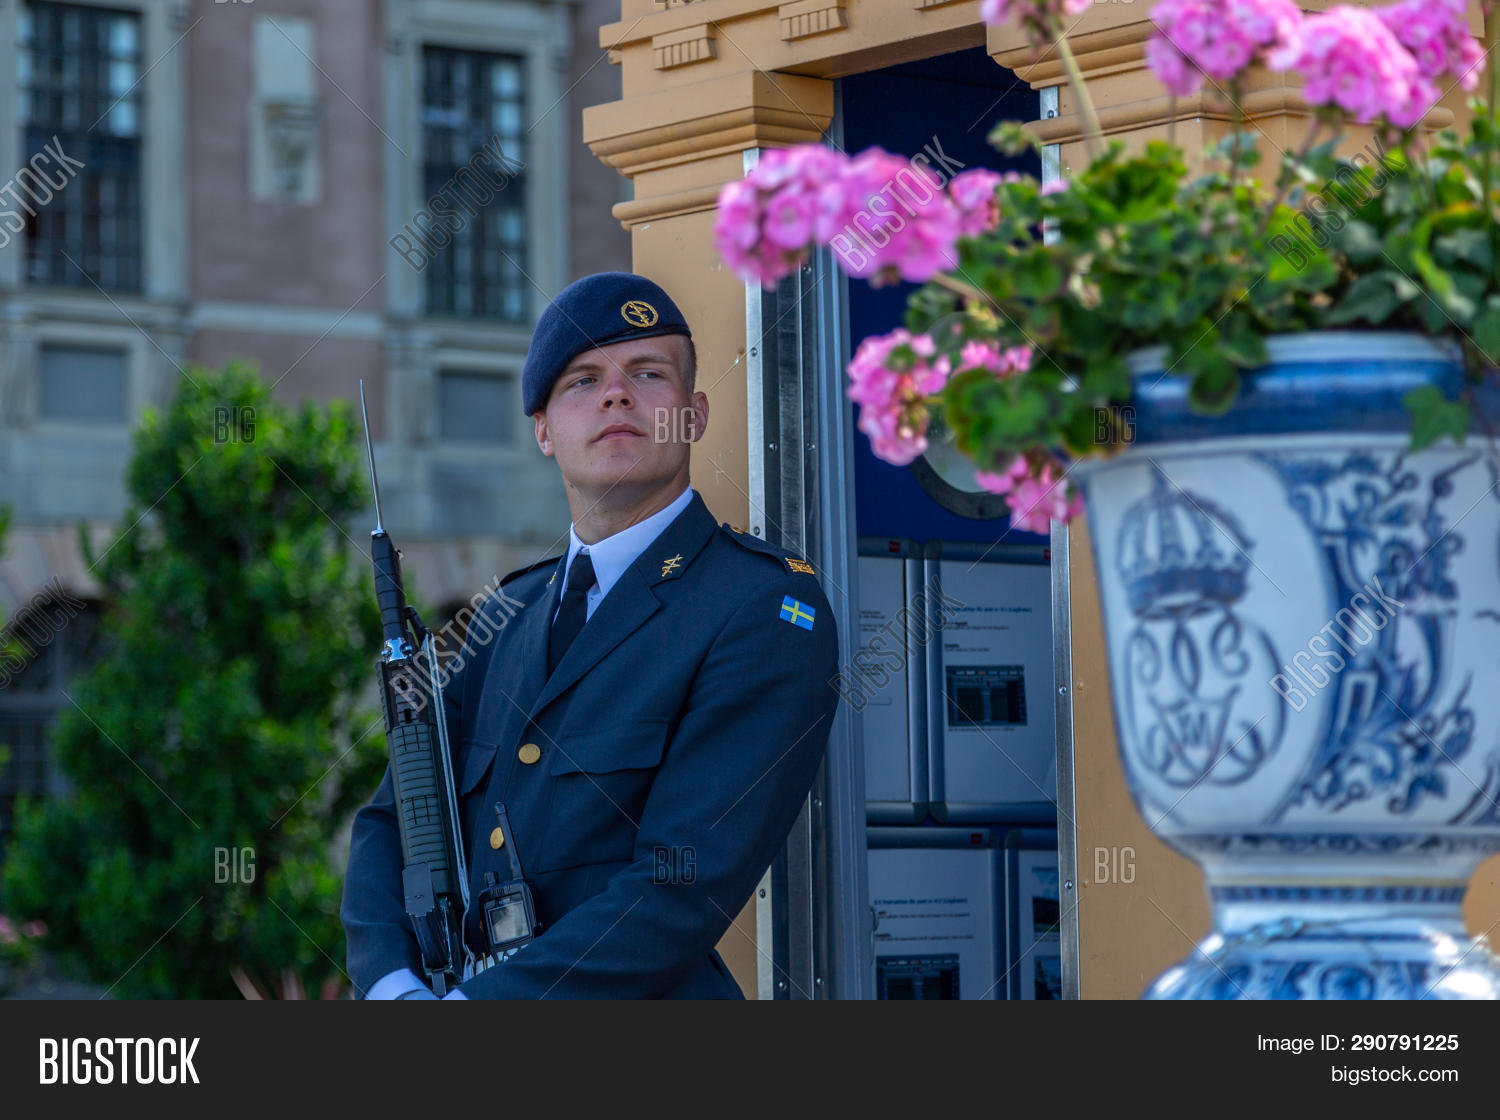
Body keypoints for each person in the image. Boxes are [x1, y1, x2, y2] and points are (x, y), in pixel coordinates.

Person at [341, 271, 841, 998]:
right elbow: (391, 821)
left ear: (694, 415)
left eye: (648, 373)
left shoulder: (763, 608)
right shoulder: (503, 614)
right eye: (583, 380)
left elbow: (679, 888)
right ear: (544, 430)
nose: (616, 394)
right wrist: (393, 987)